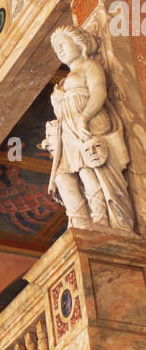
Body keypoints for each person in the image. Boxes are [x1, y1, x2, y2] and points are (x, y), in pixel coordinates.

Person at [43, 25, 134, 230]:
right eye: (56, 47)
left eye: (62, 44)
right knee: (62, 177)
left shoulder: (90, 66)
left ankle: (101, 220)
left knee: (89, 172)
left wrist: (84, 117)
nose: (59, 49)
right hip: (68, 133)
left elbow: (98, 93)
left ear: (78, 43)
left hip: (88, 124)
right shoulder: (65, 80)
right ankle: (79, 223)